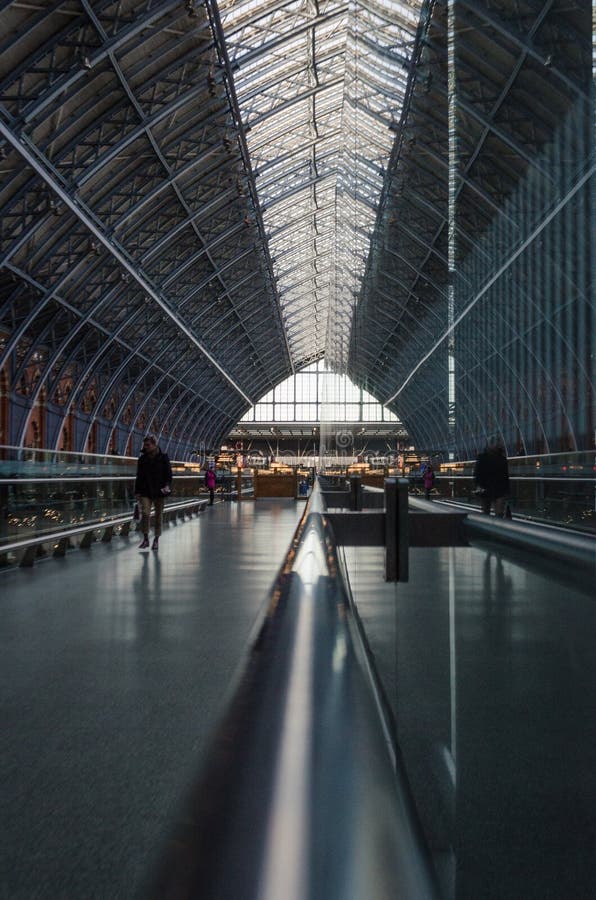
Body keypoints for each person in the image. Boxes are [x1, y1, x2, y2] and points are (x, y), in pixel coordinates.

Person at [134, 435, 172, 550]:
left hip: (159, 491)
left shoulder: (163, 458)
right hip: (145, 490)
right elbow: (139, 476)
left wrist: (167, 485)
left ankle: (156, 539)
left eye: (148, 445)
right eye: (145, 445)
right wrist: (137, 491)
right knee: (145, 513)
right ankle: (145, 538)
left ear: (154, 444)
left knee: (158, 515)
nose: (146, 447)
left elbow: (168, 474)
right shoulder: (142, 459)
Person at [473, 439, 510, 517]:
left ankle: (493, 526)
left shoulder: (483, 457)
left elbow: (477, 473)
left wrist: (478, 484)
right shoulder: (501, 458)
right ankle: (495, 526)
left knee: (490, 511)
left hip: (493, 488)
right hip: (491, 488)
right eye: (493, 443)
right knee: (491, 511)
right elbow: (505, 476)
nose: (496, 445)